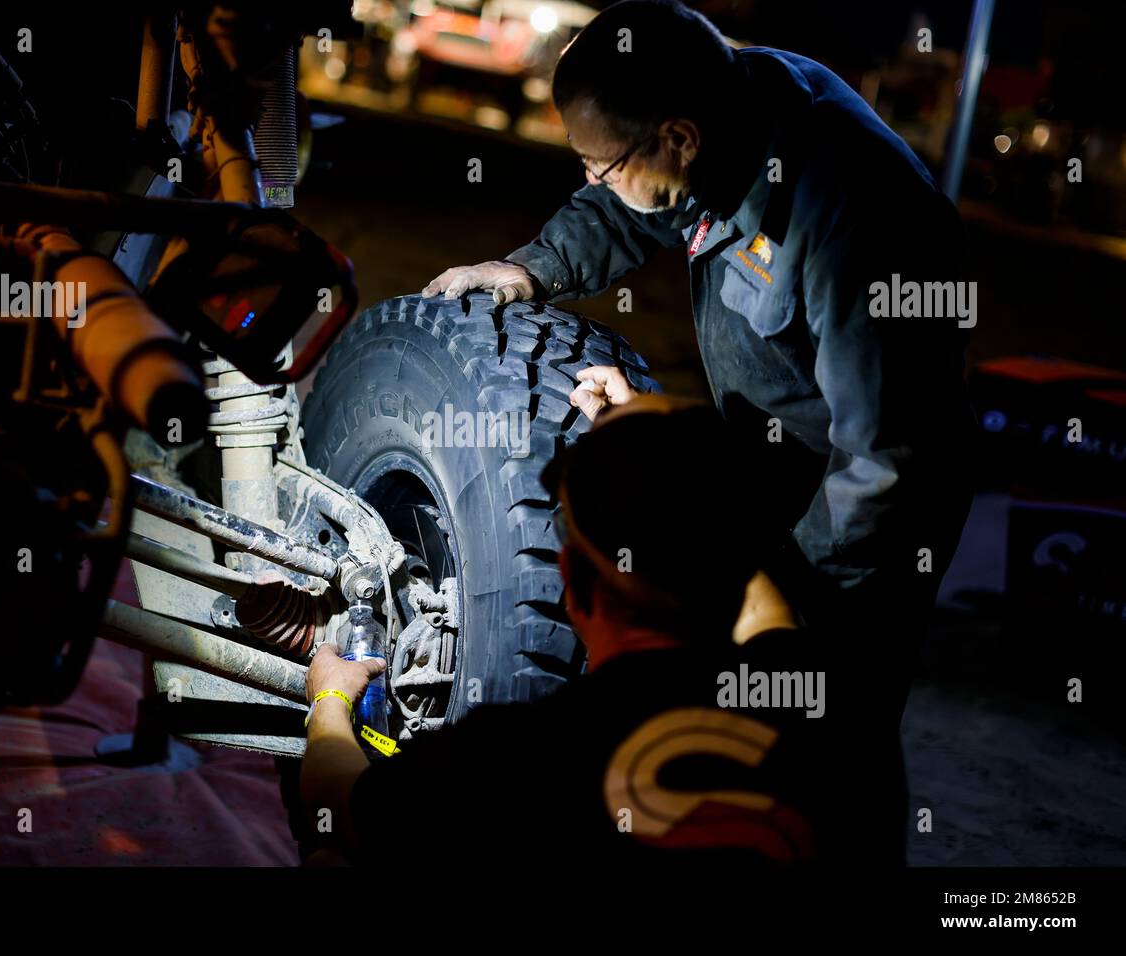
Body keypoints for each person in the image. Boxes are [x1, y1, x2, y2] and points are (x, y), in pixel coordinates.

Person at [421, 0, 975, 646]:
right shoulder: (719, 111)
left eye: (600, 166)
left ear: (679, 139)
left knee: (818, 717)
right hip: (786, 461)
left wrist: (782, 595)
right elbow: (631, 206)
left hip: (871, 521)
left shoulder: (854, 219)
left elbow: (886, 459)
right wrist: (533, 270)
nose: (591, 178)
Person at [300, 400, 907, 866]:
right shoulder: (841, 709)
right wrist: (666, 453)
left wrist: (328, 702)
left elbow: (339, 800)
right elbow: (759, 597)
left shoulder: (516, 763)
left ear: (573, 581)